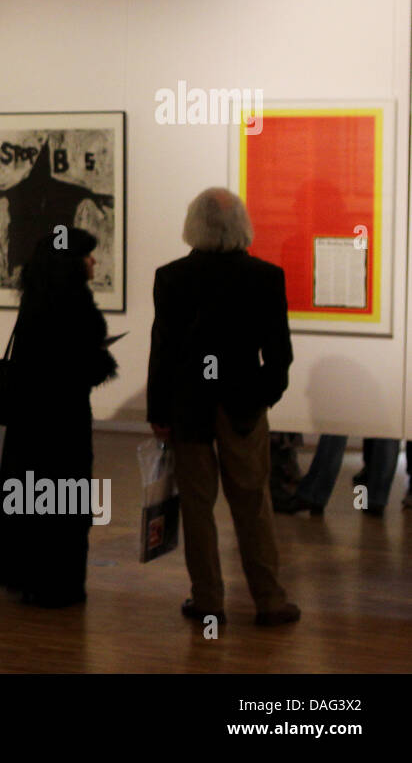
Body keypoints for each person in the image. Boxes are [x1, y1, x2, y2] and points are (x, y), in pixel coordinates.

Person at [147, 188, 300, 626]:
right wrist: (263, 395)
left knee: (197, 506)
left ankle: (209, 600)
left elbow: (163, 352)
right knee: (253, 504)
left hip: (189, 406)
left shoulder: (172, 277)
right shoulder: (265, 277)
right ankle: (269, 601)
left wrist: (159, 410)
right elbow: (280, 354)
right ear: (242, 226)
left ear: (194, 225)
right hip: (243, 406)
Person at [0, 227, 117, 607]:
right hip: (64, 421)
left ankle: (26, 575)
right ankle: (57, 583)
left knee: (30, 495)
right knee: (63, 501)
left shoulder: (36, 299)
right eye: (87, 255)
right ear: (71, 261)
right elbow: (87, 366)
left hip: (30, 420)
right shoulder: (76, 303)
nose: (93, 261)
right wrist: (103, 358)